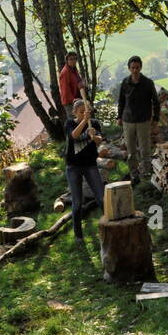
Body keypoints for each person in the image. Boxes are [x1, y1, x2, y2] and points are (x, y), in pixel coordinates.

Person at [65, 98, 106, 241]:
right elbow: (74, 136)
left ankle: (110, 225)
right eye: (81, 112)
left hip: (90, 165)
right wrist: (83, 122)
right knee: (77, 203)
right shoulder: (70, 123)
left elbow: (100, 140)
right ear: (75, 112)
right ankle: (78, 235)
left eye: (86, 112)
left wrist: (94, 136)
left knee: (101, 198)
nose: (84, 114)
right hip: (73, 167)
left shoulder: (94, 123)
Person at [117, 55, 159, 185]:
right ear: (129, 68)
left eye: (137, 67)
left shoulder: (147, 83)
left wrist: (156, 119)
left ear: (141, 67)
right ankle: (134, 174)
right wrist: (119, 117)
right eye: (132, 68)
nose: (135, 70)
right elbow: (121, 101)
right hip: (128, 120)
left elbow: (156, 102)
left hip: (143, 120)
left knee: (145, 148)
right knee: (131, 150)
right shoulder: (125, 83)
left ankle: (146, 173)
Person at [58, 50, 87, 119]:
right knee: (73, 122)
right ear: (67, 61)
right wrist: (73, 100)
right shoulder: (65, 73)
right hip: (70, 103)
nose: (73, 61)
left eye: (74, 59)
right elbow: (65, 90)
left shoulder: (74, 69)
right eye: (71, 59)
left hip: (77, 100)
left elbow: (78, 82)